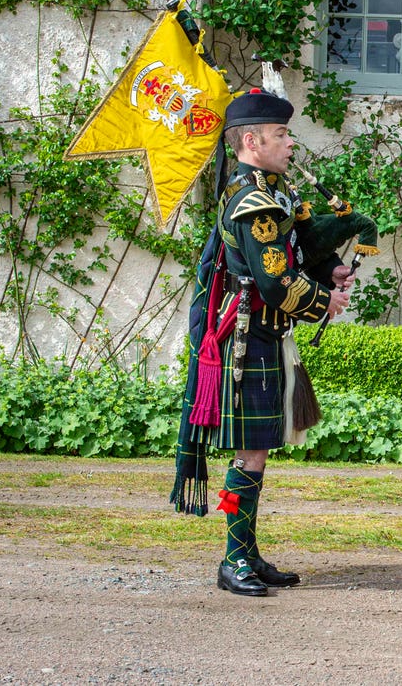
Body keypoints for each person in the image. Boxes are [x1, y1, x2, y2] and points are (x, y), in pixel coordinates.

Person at [171, 88, 354, 596]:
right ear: (251, 141)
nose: (290, 143)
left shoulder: (276, 193)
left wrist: (330, 268)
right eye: (281, 135)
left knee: (257, 454)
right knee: (248, 457)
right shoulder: (254, 203)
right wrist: (325, 302)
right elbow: (274, 282)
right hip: (247, 344)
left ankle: (246, 552)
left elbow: (292, 254)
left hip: (265, 337)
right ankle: (233, 558)